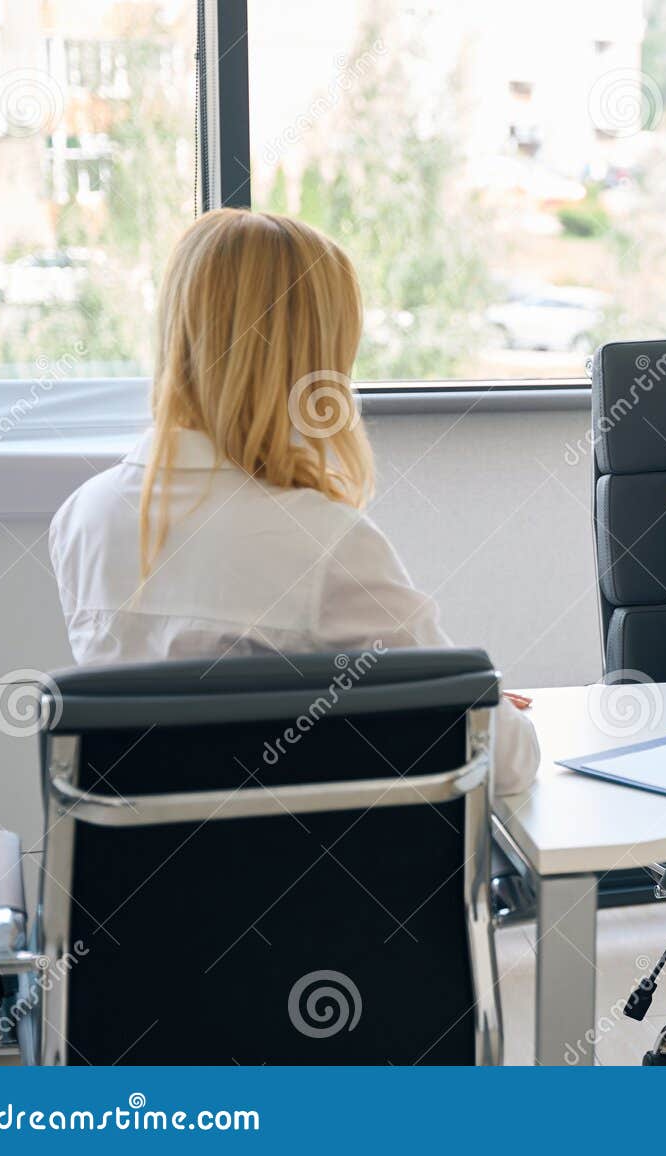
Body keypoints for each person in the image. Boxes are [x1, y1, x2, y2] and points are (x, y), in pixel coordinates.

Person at [48, 208, 540, 792]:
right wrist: (479, 708)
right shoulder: (326, 543)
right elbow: (504, 764)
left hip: (132, 876)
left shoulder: (82, 517)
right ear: (310, 362)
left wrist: (437, 695)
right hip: (312, 876)